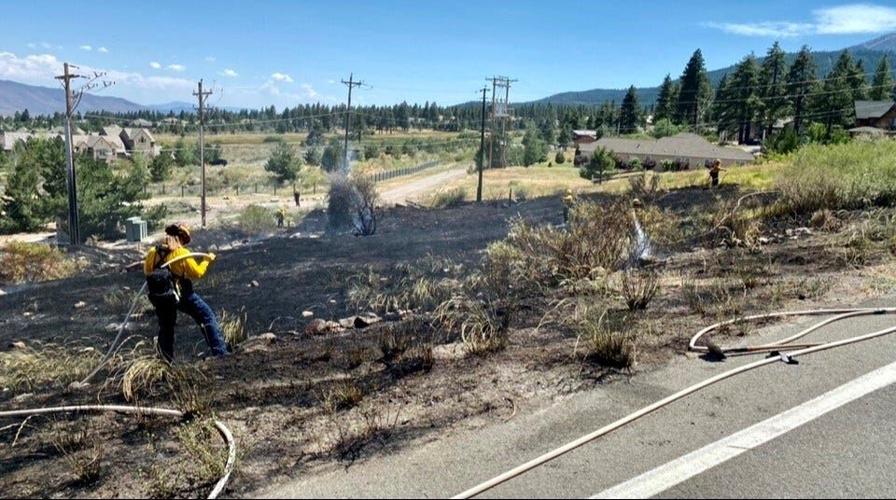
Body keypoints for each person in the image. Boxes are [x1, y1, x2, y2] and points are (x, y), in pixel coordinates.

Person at [143, 223, 227, 362]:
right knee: (207, 317)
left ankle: (164, 362)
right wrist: (207, 260)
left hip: (161, 296)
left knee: (166, 328)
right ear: (180, 238)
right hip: (182, 295)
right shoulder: (182, 253)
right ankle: (221, 354)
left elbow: (147, 272)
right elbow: (198, 273)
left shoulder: (153, 252)